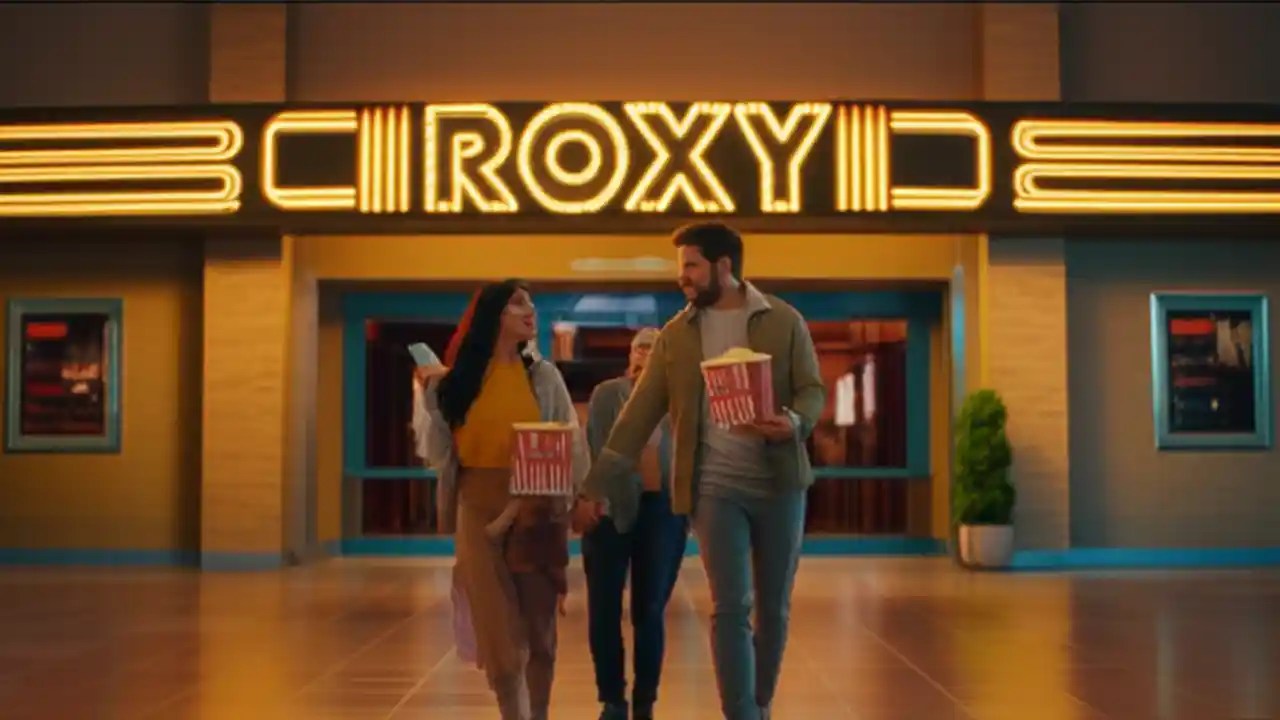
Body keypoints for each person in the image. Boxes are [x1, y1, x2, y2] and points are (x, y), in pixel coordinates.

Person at [575, 222, 825, 720]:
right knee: (730, 606)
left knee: (772, 610)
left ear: (724, 266)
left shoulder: (782, 320)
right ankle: (742, 714)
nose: (682, 277)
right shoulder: (677, 336)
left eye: (691, 265)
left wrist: (793, 422)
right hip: (713, 488)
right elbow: (637, 416)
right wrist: (592, 488)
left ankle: (761, 702)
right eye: (681, 267)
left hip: (779, 484)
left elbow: (811, 390)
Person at [419, 279, 589, 720]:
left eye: (531, 303)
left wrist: (577, 496)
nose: (530, 310)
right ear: (492, 316)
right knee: (497, 631)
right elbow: (439, 453)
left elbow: (570, 438)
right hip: (477, 504)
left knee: (539, 629)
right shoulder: (457, 383)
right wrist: (430, 401)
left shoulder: (542, 376)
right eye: (518, 304)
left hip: (537, 505)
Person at [581, 327, 689, 720]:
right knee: (604, 608)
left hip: (662, 511)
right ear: (630, 355)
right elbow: (599, 447)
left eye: (654, 348)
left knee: (649, 608)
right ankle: (612, 698)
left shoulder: (679, 398)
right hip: (611, 508)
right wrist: (591, 499)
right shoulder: (609, 393)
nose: (645, 354)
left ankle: (645, 701)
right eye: (639, 348)